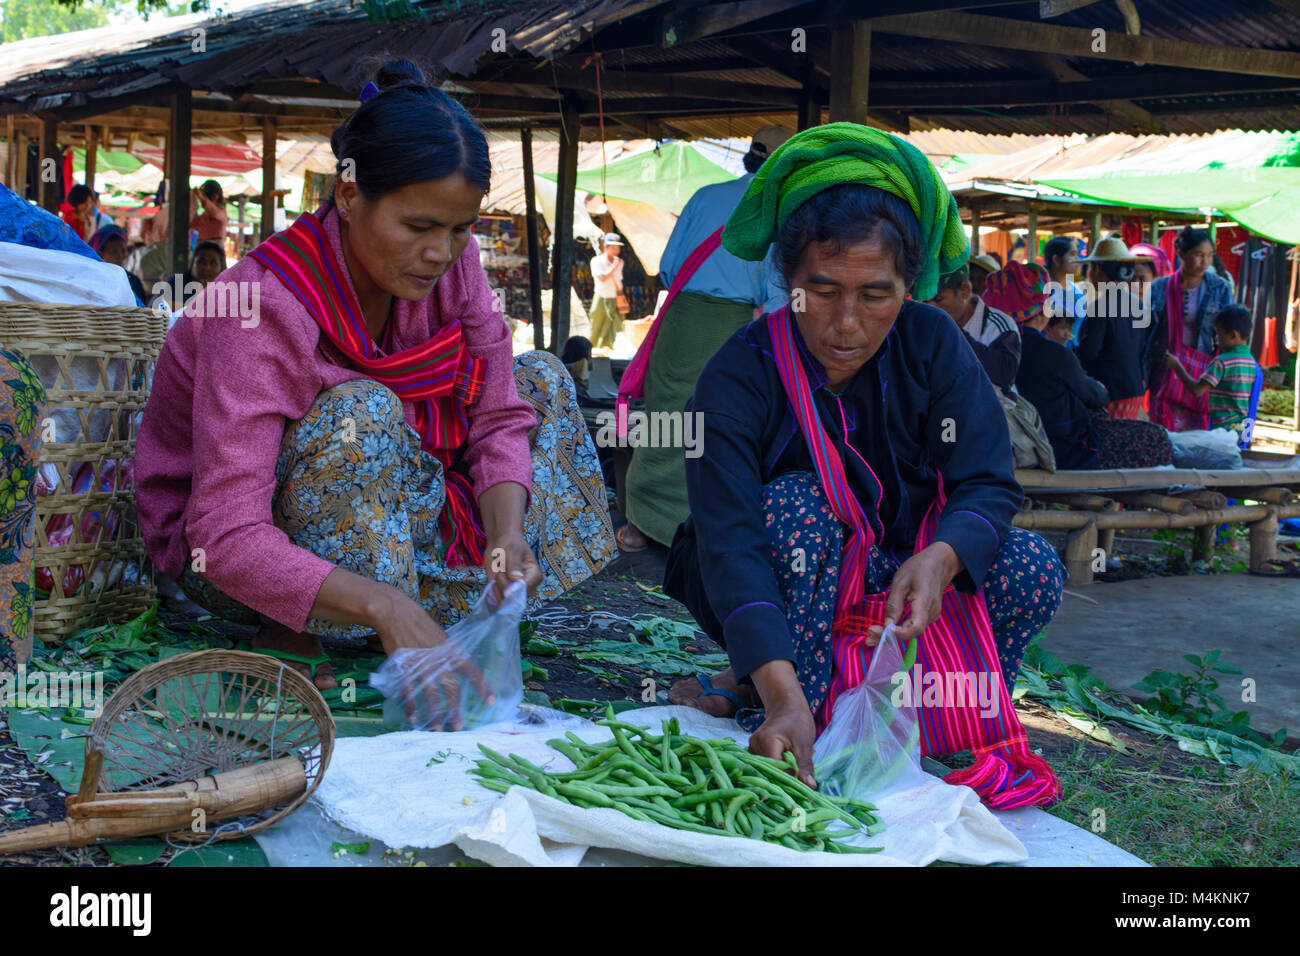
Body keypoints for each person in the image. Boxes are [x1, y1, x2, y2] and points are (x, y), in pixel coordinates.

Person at [134, 59, 616, 706]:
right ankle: (296, 620)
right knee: (361, 410)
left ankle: (413, 608)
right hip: (229, 555)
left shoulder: (453, 266)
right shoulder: (260, 307)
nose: (441, 253)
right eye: (418, 227)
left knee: (543, 380)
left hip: (394, 515)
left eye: (459, 228)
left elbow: (499, 413)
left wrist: (504, 538)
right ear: (350, 196)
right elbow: (223, 538)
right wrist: (387, 606)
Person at [661, 124, 1065, 800]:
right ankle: (790, 701)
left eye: (876, 294)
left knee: (1028, 568)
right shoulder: (739, 373)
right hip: (768, 571)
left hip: (896, 577)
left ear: (911, 286)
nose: (845, 321)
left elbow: (987, 482)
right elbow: (730, 542)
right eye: (821, 290)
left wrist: (940, 559)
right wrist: (789, 700)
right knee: (799, 502)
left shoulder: (932, 343)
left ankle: (935, 710)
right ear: (786, 279)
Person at [619, 125, 794, 552]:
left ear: (750, 158)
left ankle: (639, 525)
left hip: (681, 318)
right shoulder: (780, 214)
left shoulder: (705, 196)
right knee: (719, 425)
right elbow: (777, 296)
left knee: (664, 420)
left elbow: (668, 266)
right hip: (734, 326)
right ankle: (695, 528)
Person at [1017, 299, 1173, 470]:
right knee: (1156, 437)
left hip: (1035, 439)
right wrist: (1099, 388)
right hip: (1066, 448)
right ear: (1041, 313)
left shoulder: (1005, 346)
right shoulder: (1054, 353)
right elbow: (1095, 396)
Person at [1148, 226, 1234, 431]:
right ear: (1181, 254)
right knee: (1164, 433)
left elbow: (1229, 330)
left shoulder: (1219, 288)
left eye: (1209, 256)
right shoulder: (1160, 287)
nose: (1205, 262)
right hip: (1165, 371)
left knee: (1198, 436)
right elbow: (1149, 333)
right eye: (1198, 255)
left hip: (1203, 372)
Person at [1075, 237, 1157, 420]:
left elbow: (1088, 352)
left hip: (1112, 392)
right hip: (1134, 389)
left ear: (1097, 270)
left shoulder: (1101, 306)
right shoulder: (1138, 305)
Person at [1165, 305, 1261, 440]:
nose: (1217, 339)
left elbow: (1197, 390)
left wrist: (1176, 366)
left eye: (1219, 334)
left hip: (1224, 428)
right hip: (1242, 428)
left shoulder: (1222, 362)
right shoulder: (1251, 362)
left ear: (1233, 335)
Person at [926, 261, 1020, 393]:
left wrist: (953, 332)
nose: (931, 309)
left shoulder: (998, 325)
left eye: (938, 300)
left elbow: (1004, 375)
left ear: (965, 291)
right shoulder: (922, 324)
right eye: (924, 302)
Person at [1042, 235, 1087, 347]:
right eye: (1072, 254)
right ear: (1056, 259)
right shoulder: (1041, 291)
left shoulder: (1077, 293)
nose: (1078, 260)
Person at [89, 225, 148, 305]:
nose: (120, 256)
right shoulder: (93, 279)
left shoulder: (133, 280)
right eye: (114, 251)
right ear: (100, 254)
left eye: (123, 251)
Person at [588, 234, 625, 350]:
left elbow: (619, 281)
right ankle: (592, 349)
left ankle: (610, 349)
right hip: (601, 296)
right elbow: (602, 278)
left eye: (617, 248)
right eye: (613, 247)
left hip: (615, 297)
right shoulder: (596, 261)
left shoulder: (621, 262)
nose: (616, 250)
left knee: (615, 325)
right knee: (596, 323)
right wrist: (614, 265)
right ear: (605, 246)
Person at [189, 179, 229, 243]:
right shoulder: (205, 216)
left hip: (212, 250)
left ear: (214, 197)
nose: (202, 203)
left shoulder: (220, 214)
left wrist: (201, 196)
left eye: (205, 197)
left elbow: (211, 208)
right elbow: (189, 224)